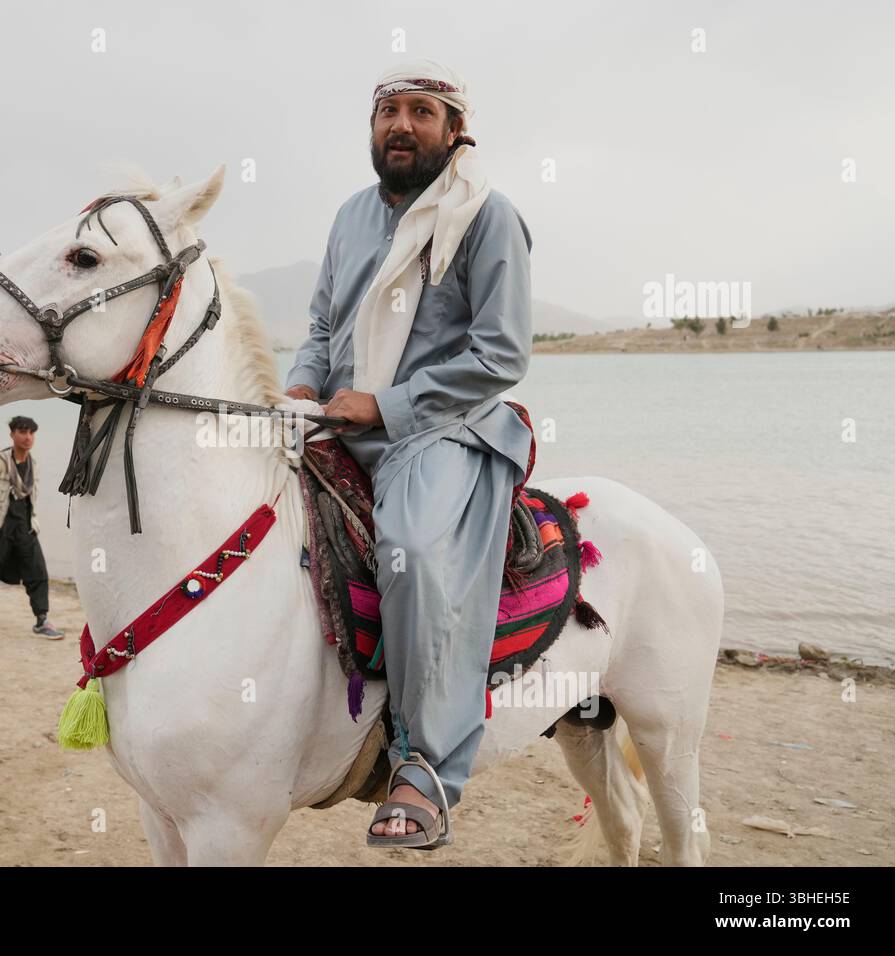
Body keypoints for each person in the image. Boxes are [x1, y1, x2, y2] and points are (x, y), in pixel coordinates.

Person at [284, 58, 534, 847]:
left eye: (422, 111)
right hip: (338, 419)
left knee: (415, 552)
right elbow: (323, 328)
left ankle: (426, 765)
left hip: (442, 430)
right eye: (388, 111)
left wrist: (386, 404)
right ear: (371, 130)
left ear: (455, 131)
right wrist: (299, 389)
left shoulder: (490, 218)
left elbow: (500, 355)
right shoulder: (351, 216)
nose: (402, 124)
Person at [0, 415, 63, 638]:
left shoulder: (32, 465)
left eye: (31, 433)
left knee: (38, 572)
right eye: (22, 432)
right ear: (12, 434)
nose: (27, 437)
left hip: (25, 528)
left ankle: (42, 620)